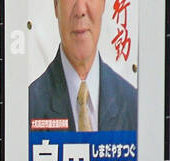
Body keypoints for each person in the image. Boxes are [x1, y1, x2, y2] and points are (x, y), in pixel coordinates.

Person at [29, 0, 138, 133]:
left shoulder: (133, 106)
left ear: (103, 4)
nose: (80, 10)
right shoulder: (29, 107)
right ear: (56, 5)